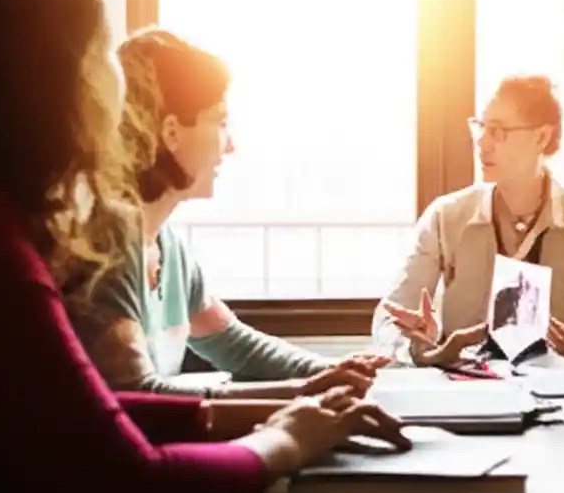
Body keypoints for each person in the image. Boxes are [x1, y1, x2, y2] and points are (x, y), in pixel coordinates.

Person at [0, 0, 408, 493]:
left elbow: (103, 413)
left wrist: (308, 391)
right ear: (50, 79)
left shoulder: (9, 231)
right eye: (96, 51)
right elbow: (128, 484)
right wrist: (285, 437)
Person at [68, 27, 386, 399]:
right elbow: (143, 398)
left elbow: (233, 343)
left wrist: (332, 371)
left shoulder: (168, 246)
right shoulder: (110, 245)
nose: (230, 144)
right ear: (171, 132)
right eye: (220, 122)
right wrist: (301, 391)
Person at [373, 75, 564, 366]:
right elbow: (389, 317)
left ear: (541, 137)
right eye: (481, 128)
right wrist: (419, 349)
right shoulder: (445, 218)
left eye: (498, 131)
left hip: (556, 396)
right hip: (462, 391)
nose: (482, 143)